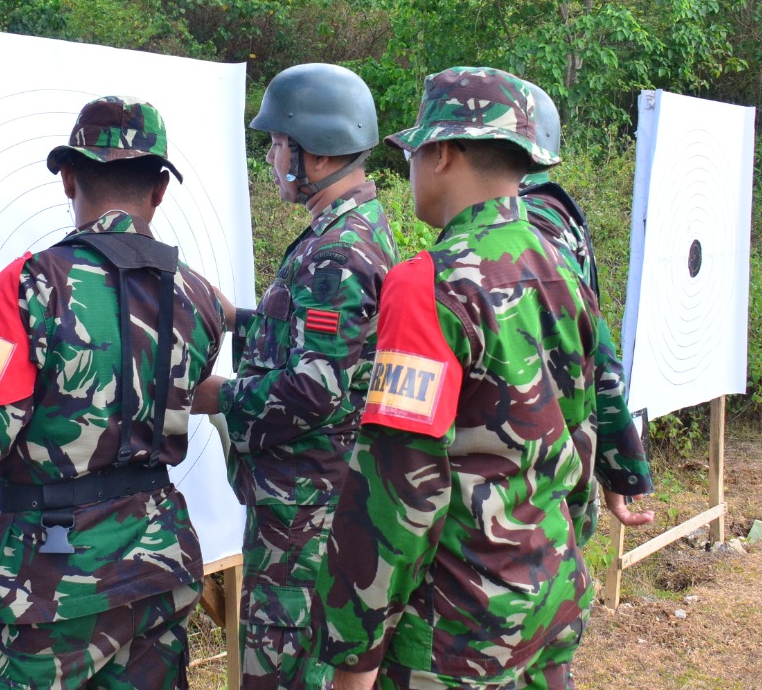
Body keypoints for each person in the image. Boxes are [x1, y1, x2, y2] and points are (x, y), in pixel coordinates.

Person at [0, 96, 226, 690]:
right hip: (160, 563)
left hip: (53, 582)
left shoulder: (32, 284)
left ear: (68, 176)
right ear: (161, 190)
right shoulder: (201, 298)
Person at [317, 67, 597, 690]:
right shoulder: (559, 264)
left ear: (441, 153)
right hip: (548, 598)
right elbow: (581, 433)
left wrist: (355, 655)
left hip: (454, 635)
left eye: (414, 153)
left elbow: (399, 489)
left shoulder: (430, 285)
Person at [192, 63, 398, 690]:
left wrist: (217, 397)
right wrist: (240, 320)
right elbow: (326, 347)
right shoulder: (349, 230)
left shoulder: (338, 248)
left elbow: (315, 389)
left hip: (306, 515)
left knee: (286, 664)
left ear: (311, 151)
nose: (272, 156)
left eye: (277, 143)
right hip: (307, 502)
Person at [518, 81, 654, 543]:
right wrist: (622, 471)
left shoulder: (528, 227)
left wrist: (619, 472)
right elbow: (602, 354)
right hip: (558, 474)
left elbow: (594, 350)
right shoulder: (555, 215)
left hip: (532, 491)